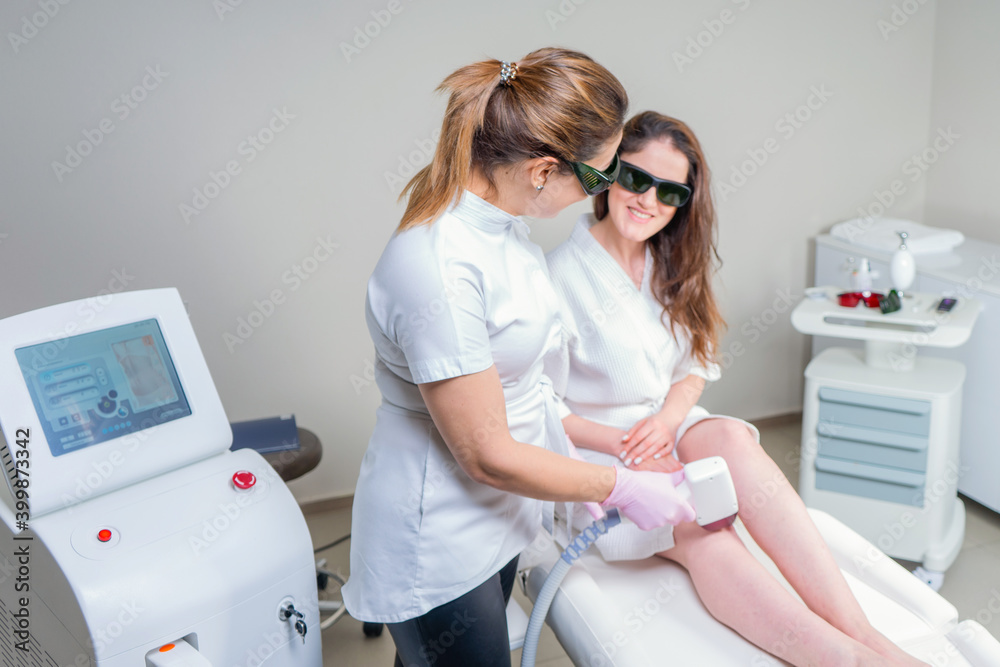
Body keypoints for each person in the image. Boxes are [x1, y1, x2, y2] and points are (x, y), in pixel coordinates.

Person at [342, 51, 696, 667]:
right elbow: (485, 454)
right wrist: (619, 485)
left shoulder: (504, 231)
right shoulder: (439, 267)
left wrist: (570, 467)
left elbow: (524, 389)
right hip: (440, 537)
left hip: (502, 513)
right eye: (595, 178)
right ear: (542, 171)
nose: (605, 192)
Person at [546, 111, 927, 666]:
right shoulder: (557, 278)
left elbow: (695, 365)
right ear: (608, 174)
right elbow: (538, 410)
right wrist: (626, 447)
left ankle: (862, 633)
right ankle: (849, 661)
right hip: (603, 454)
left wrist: (669, 422)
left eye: (669, 192)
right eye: (634, 178)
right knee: (706, 532)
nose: (647, 201)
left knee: (730, 439)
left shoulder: (669, 263)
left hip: (666, 429)